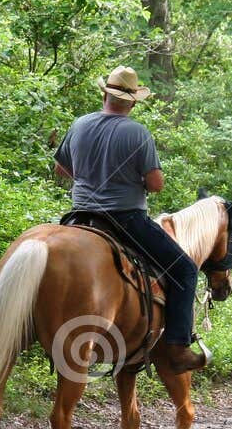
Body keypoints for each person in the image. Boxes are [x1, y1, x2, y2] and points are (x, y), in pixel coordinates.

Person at [53, 66, 207, 373]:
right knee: (185, 269)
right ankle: (177, 347)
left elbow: (61, 170)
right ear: (133, 101)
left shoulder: (80, 124)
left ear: (104, 93)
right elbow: (156, 184)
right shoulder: (137, 132)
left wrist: (89, 178)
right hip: (125, 220)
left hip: (78, 216)